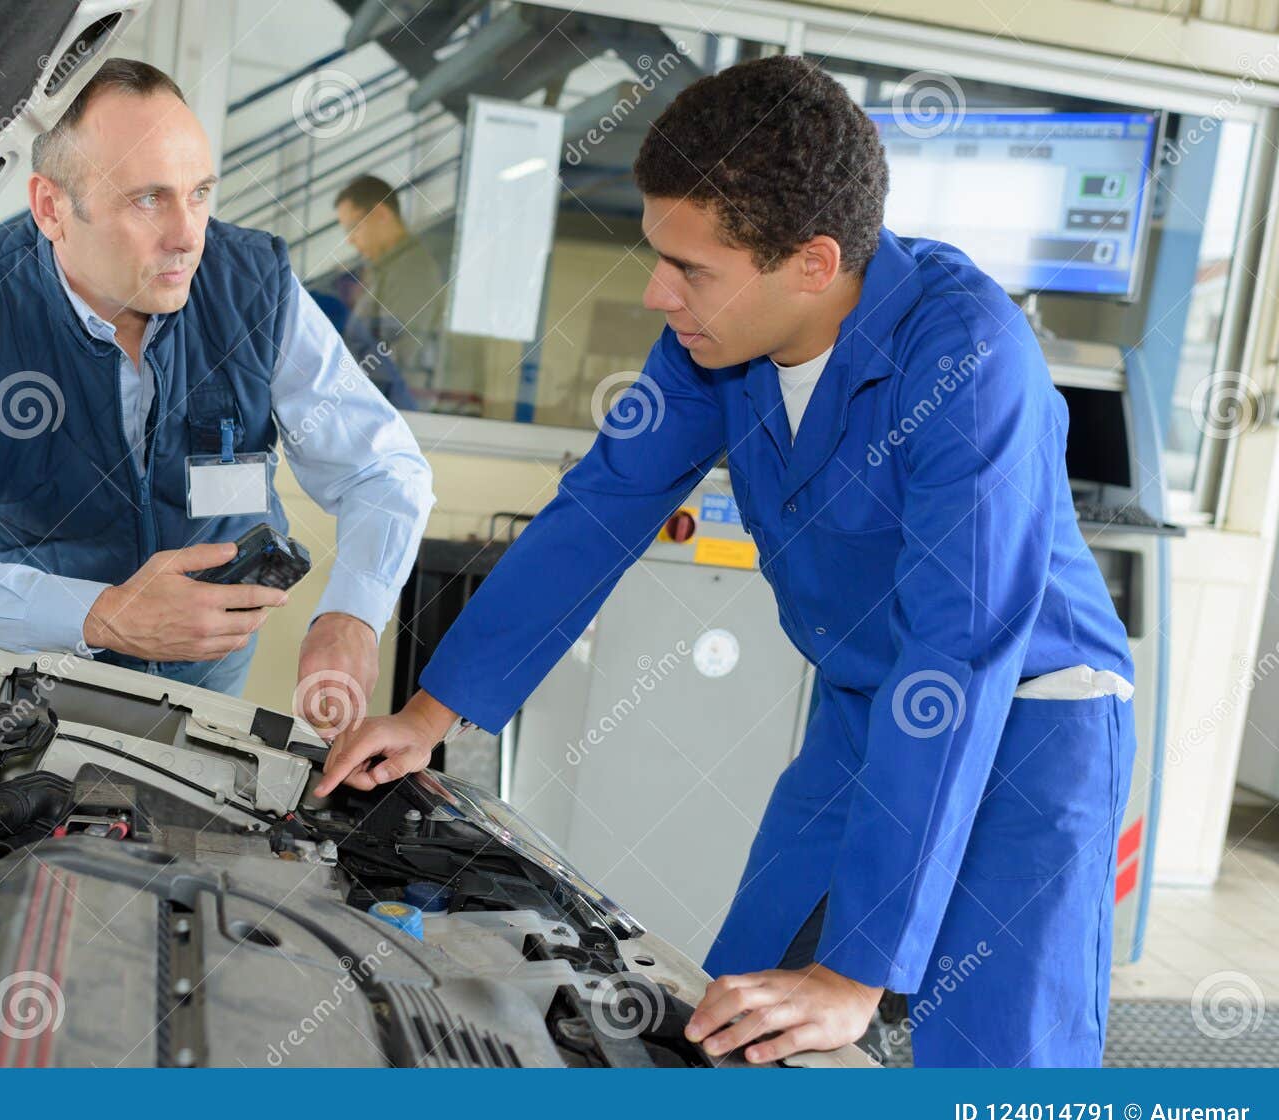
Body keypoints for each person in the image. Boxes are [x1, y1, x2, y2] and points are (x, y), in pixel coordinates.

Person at [315, 56, 1136, 1067]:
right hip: (864, 706)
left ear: (812, 263)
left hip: (1028, 718)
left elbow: (958, 648)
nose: (656, 292)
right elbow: (600, 509)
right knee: (732, 1012)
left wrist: (855, 975)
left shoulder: (970, 359)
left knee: (995, 1069)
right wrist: (427, 715)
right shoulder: (713, 342)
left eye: (690, 268)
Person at [0, 59, 433, 732]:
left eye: (199, 193)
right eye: (148, 199)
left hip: (208, 673)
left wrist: (352, 615)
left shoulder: (251, 284)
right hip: (31, 678)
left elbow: (383, 469)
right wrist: (105, 615)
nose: (188, 236)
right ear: (51, 208)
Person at [334, 175, 483, 415]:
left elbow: (397, 358)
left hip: (392, 413)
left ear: (381, 213)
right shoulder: (386, 270)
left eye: (353, 227)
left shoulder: (411, 272)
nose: (350, 240)